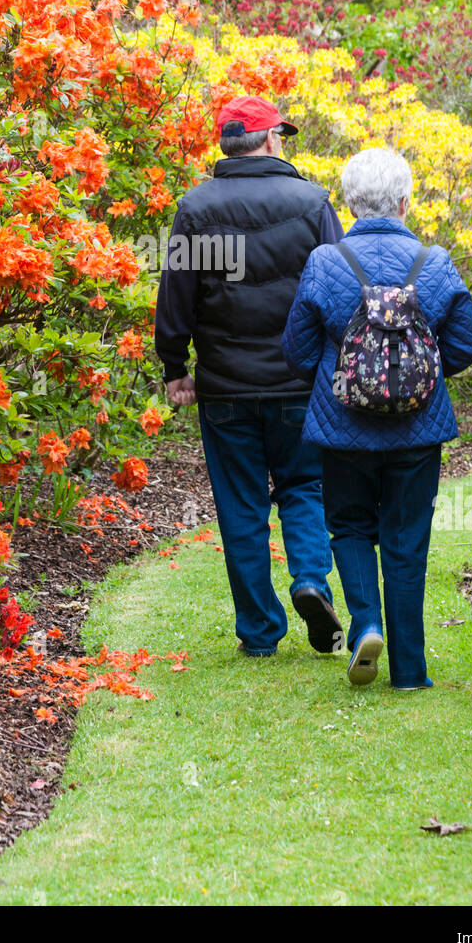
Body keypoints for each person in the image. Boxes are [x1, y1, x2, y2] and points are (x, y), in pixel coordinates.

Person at [281, 147, 472, 689]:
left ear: (349, 203)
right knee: (406, 539)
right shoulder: (435, 264)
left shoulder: (326, 262)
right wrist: (417, 379)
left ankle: (366, 621)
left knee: (348, 525)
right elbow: (465, 347)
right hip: (418, 433)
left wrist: (344, 377)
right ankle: (411, 671)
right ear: (403, 201)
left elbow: (297, 352)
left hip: (343, 431)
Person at [154, 94, 345, 657]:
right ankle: (310, 577)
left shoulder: (195, 208)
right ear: (267, 140)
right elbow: (338, 288)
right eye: (279, 135)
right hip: (299, 382)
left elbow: (176, 299)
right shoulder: (312, 202)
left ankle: (260, 632)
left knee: (241, 505)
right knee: (304, 488)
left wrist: (174, 366)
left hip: (226, 386)